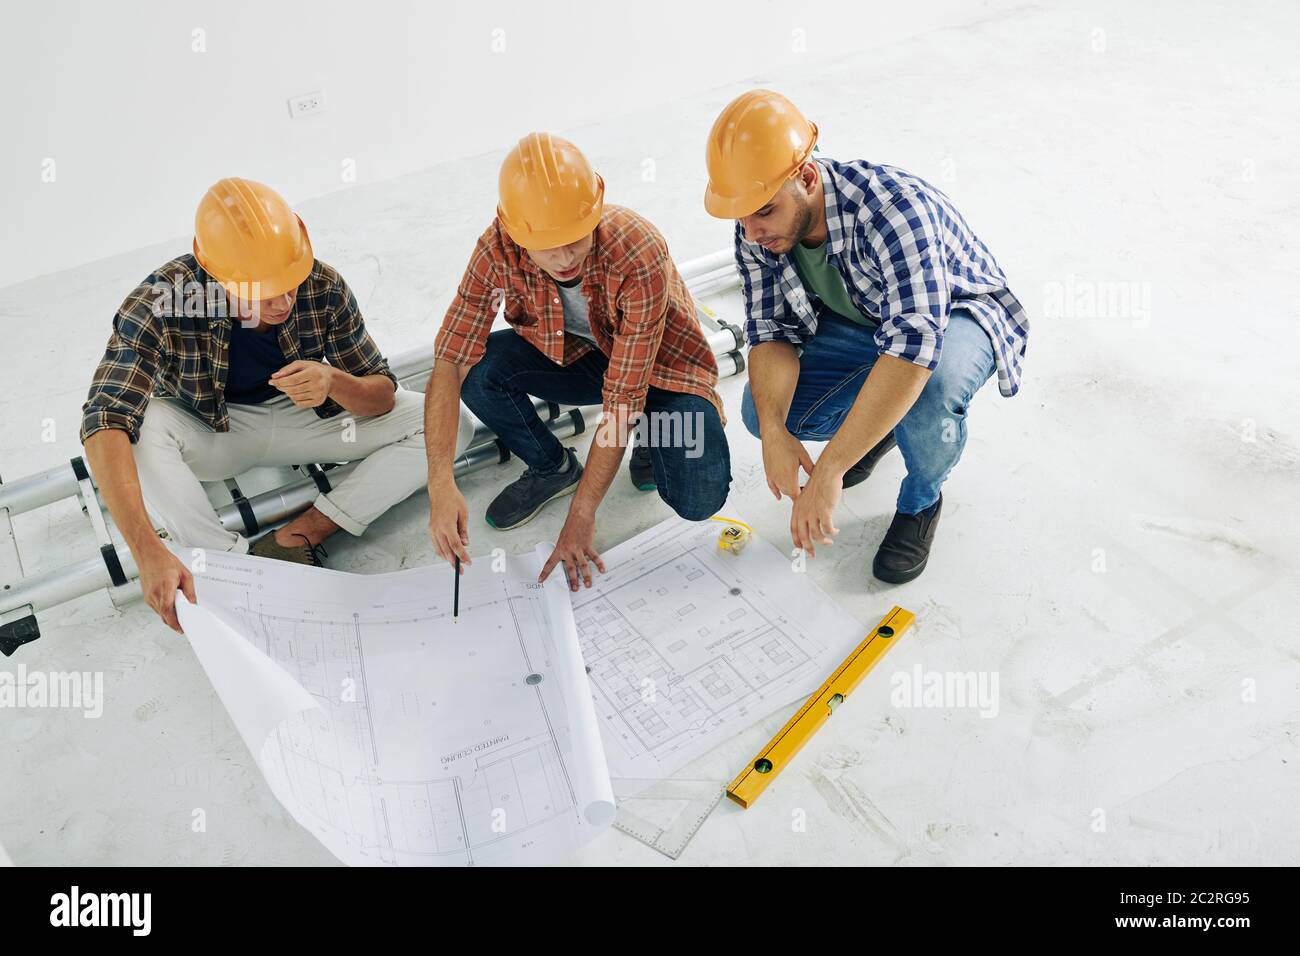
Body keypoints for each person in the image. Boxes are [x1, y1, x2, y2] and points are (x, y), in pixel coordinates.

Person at [80, 178, 474, 632]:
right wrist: (148, 549)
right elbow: (103, 417)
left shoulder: (321, 283)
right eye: (263, 292)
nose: (284, 300)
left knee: (453, 425)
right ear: (217, 276)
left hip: (308, 418)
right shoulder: (161, 301)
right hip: (213, 432)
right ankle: (231, 568)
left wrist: (335, 382)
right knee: (140, 425)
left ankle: (299, 535)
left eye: (289, 284)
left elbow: (381, 395)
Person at [704, 90, 1030, 583]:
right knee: (762, 410)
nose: (751, 232)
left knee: (930, 395)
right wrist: (773, 432)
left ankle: (922, 500)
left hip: (957, 313)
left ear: (806, 177)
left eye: (764, 211)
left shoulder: (893, 211)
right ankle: (878, 429)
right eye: (743, 216)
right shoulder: (756, 227)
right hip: (864, 319)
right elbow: (771, 333)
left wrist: (831, 468)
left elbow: (912, 351)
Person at [425, 133, 731, 591]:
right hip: (584, 360)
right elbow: (450, 360)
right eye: (548, 245)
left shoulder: (636, 247)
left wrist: (583, 516)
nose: (566, 258)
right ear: (513, 229)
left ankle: (655, 433)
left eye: (576, 239)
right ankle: (554, 467)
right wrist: (440, 483)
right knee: (480, 372)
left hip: (664, 372)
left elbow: (623, 399)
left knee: (698, 498)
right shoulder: (495, 250)